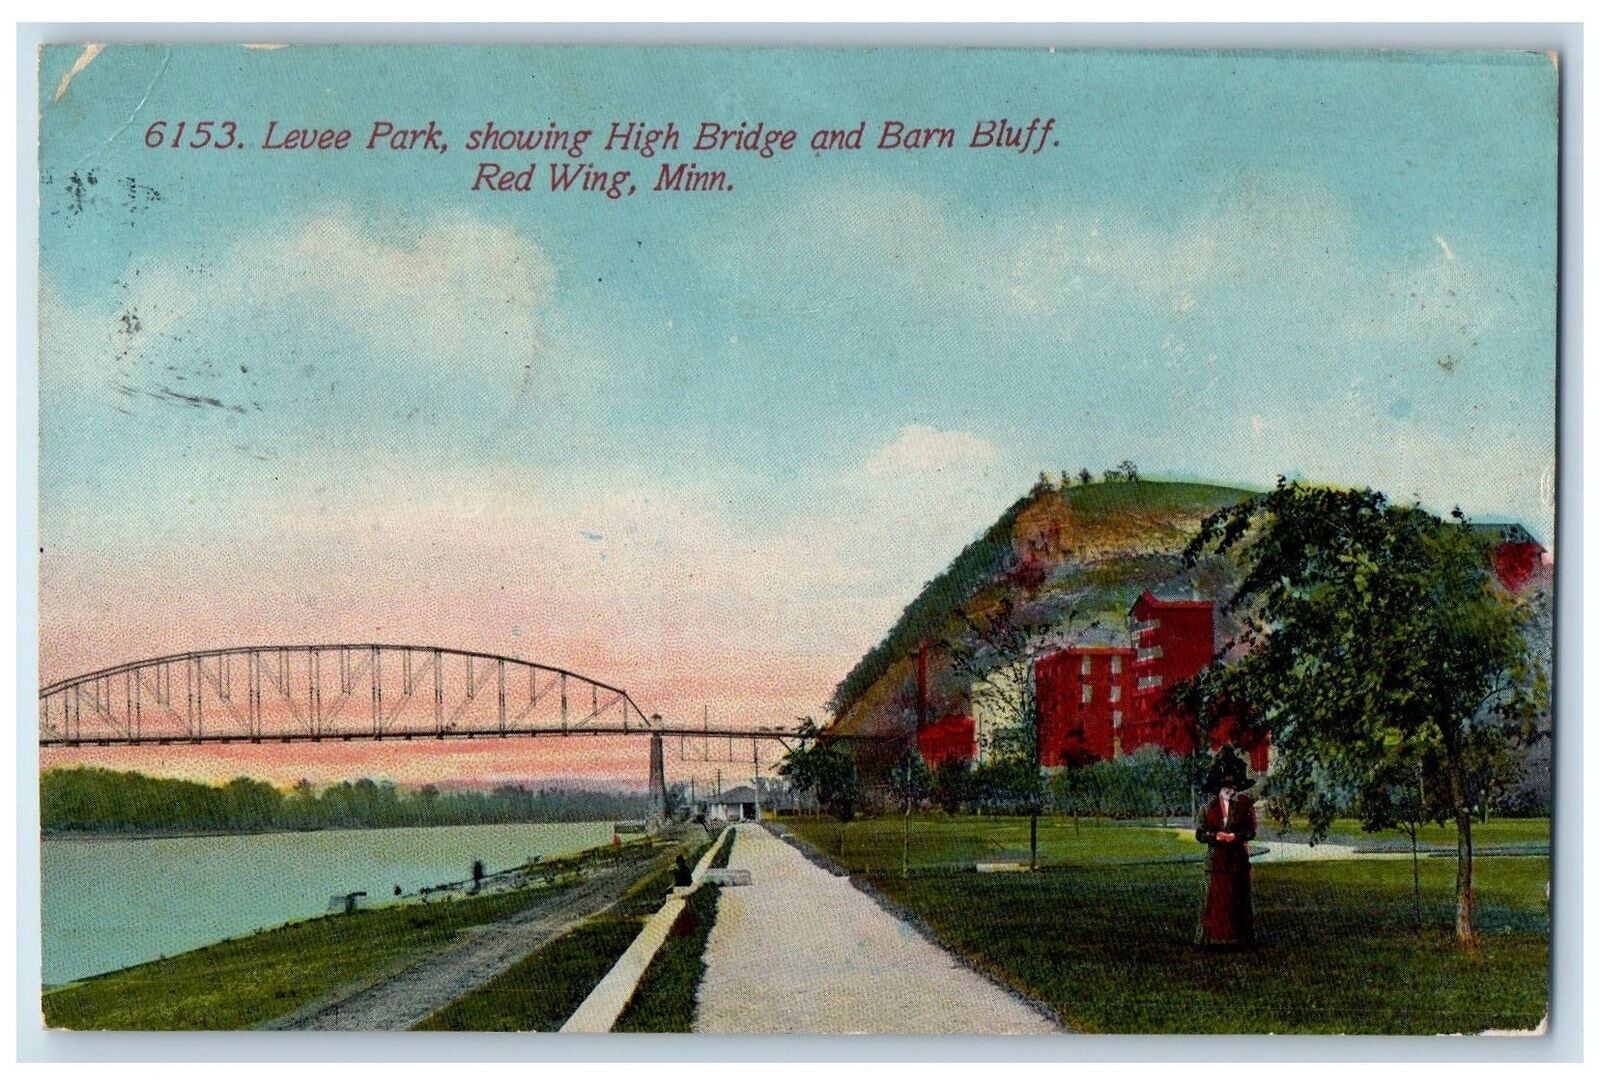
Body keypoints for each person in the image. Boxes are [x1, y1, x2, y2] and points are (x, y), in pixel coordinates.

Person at [1195, 746, 1257, 948]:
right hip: (1216, 861)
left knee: (1237, 901)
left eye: (1233, 786)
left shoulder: (1244, 808)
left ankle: (1239, 939)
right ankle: (1214, 938)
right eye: (1225, 786)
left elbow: (1250, 832)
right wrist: (1215, 836)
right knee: (1217, 901)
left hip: (1237, 860)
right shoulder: (1207, 809)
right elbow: (1200, 833)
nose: (1229, 790)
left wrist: (1235, 837)